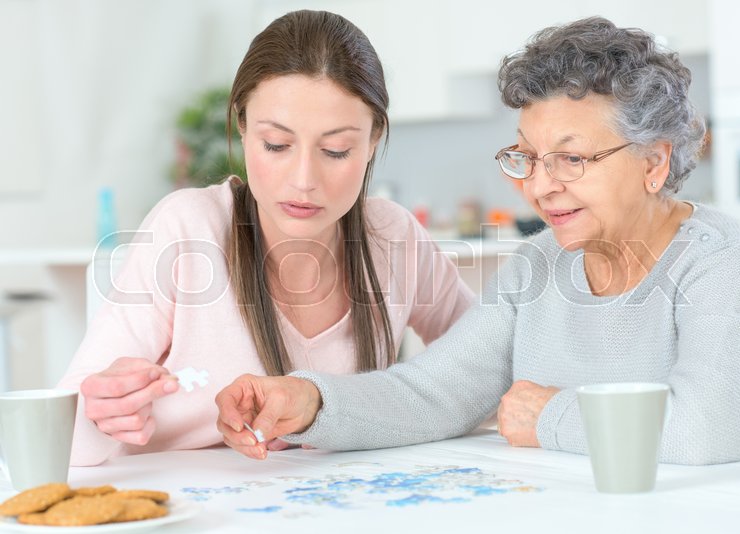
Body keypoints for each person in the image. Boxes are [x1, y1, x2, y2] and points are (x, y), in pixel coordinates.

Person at [215, 16, 740, 465]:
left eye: (571, 158)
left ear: (654, 162)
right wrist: (313, 403)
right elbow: (434, 393)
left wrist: (549, 417)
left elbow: (709, 433)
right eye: (529, 157)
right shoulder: (536, 267)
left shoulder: (726, 261)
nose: (541, 186)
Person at [58, 10, 473, 467]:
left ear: (373, 140)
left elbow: (488, 369)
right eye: (276, 145)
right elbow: (60, 431)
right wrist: (103, 416)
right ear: (242, 125)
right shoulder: (187, 230)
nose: (303, 180)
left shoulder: (392, 236)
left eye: (336, 151)